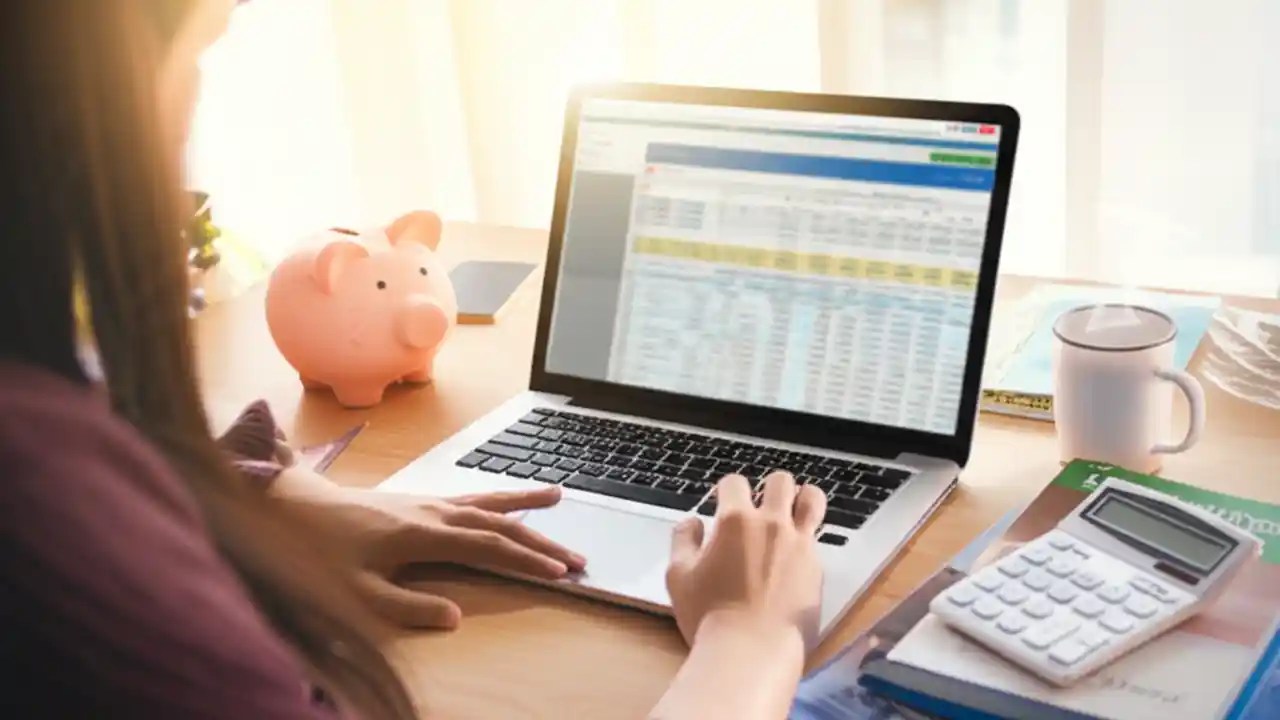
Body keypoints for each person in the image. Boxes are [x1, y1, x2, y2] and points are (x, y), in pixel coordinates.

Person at [0, 2, 829, 718]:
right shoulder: (51, 512)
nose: (187, 111)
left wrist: (262, 498)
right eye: (198, 48)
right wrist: (748, 643)